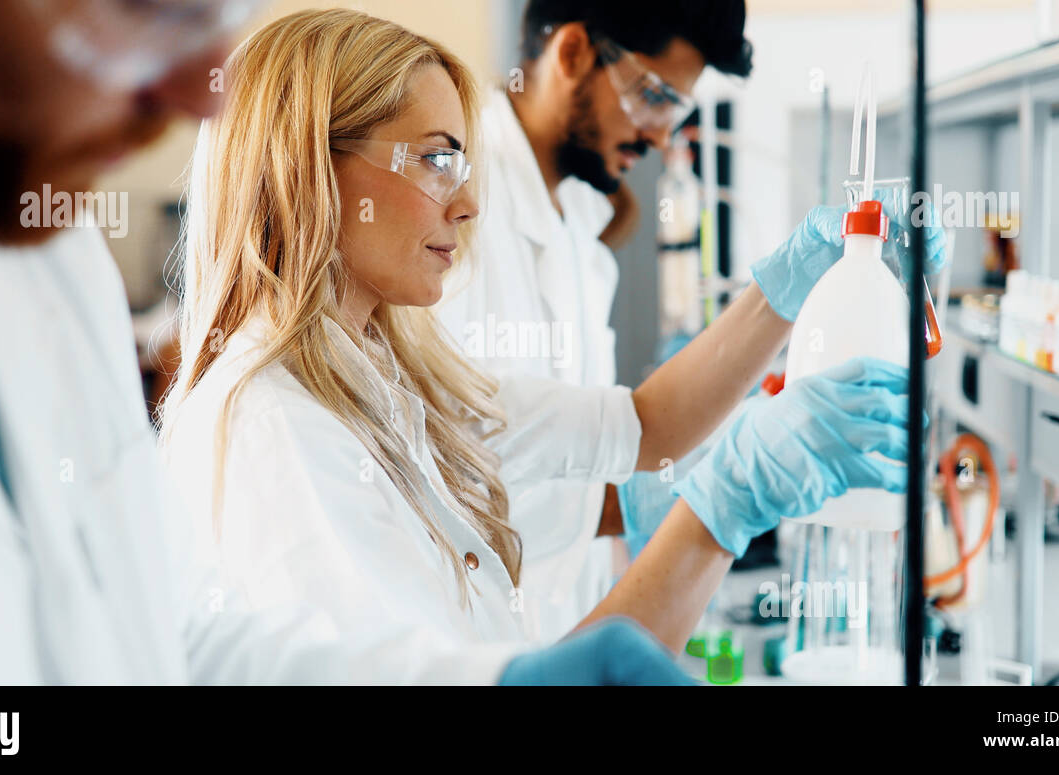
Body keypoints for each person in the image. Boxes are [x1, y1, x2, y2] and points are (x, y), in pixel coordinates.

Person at [0, 0, 692, 685]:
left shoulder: (47, 260)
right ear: (311, 167)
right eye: (150, 9)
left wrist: (491, 681)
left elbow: (177, 636)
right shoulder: (267, 417)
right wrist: (704, 522)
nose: (200, 94)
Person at [159, 8, 916, 661]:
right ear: (310, 170)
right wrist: (723, 506)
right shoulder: (278, 427)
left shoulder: (394, 381)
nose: (467, 206)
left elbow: (645, 425)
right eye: (433, 160)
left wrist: (796, 279)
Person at [434, 0, 947, 640]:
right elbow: (438, 480)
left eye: (676, 111)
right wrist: (681, 490)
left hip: (563, 627)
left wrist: (794, 284)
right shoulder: (451, 215)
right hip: (472, 643)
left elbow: (631, 429)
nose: (659, 136)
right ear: (571, 55)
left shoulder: (578, 223)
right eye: (654, 97)